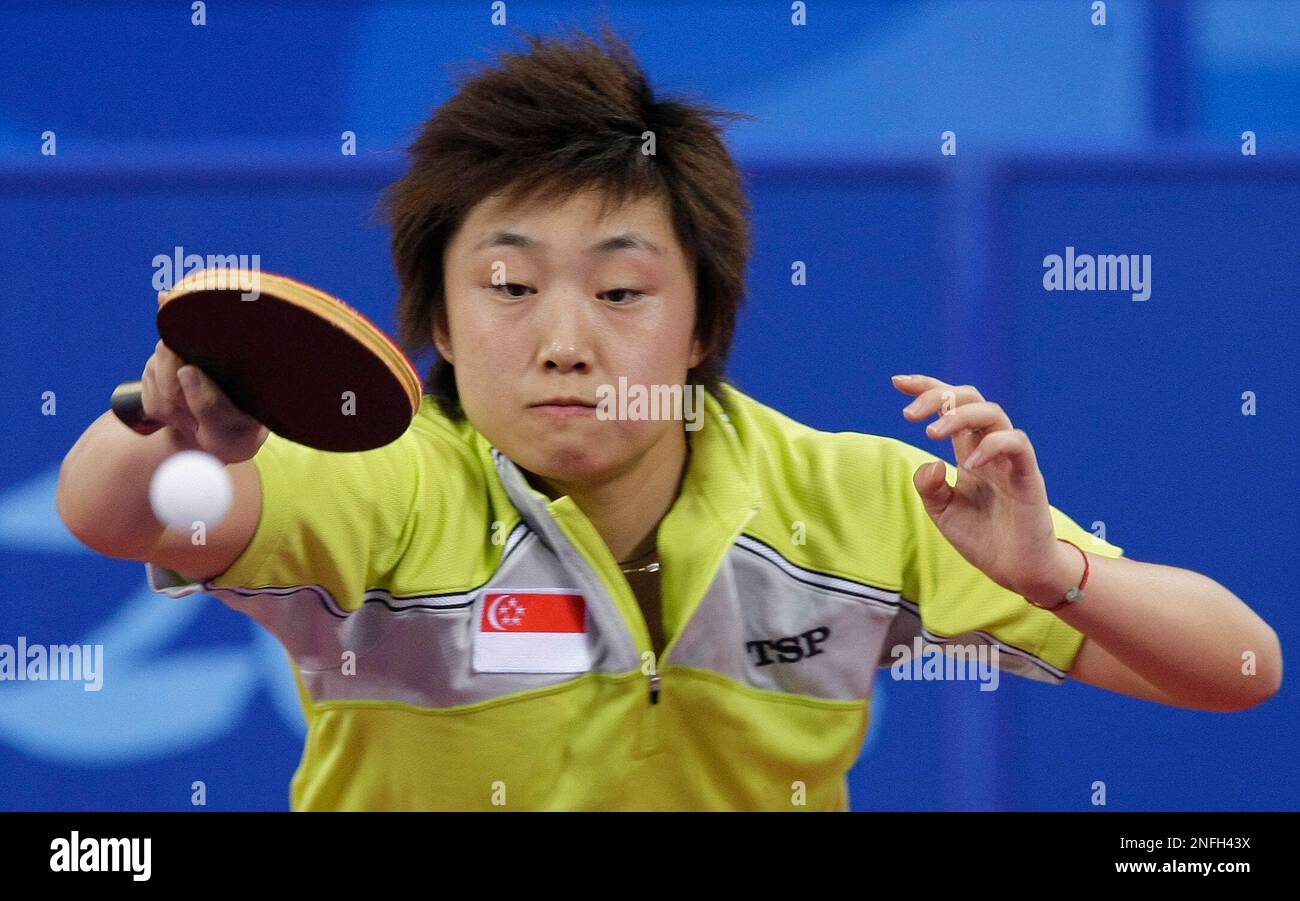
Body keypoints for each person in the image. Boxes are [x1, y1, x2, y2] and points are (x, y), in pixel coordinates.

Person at [57, 25, 1281, 811]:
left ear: (700, 326)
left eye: (623, 288)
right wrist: (169, 426)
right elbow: (110, 515)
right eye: (510, 285)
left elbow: (1239, 668)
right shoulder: (384, 483)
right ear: (435, 317)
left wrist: (1057, 571)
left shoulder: (858, 497)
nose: (565, 338)